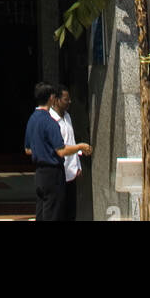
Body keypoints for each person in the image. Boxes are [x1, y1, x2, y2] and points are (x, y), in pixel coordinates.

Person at [24, 81, 91, 221]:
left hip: (40, 173)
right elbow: (61, 151)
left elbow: (28, 149)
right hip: (53, 173)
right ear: (51, 99)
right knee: (54, 213)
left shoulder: (32, 119)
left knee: (42, 212)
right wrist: (80, 147)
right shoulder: (50, 122)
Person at [50, 87, 82, 222]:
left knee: (71, 212)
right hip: (57, 173)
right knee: (58, 212)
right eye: (65, 99)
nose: (69, 102)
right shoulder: (50, 119)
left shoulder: (67, 116)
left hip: (71, 172)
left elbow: (71, 141)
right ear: (56, 100)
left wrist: (78, 165)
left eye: (69, 99)